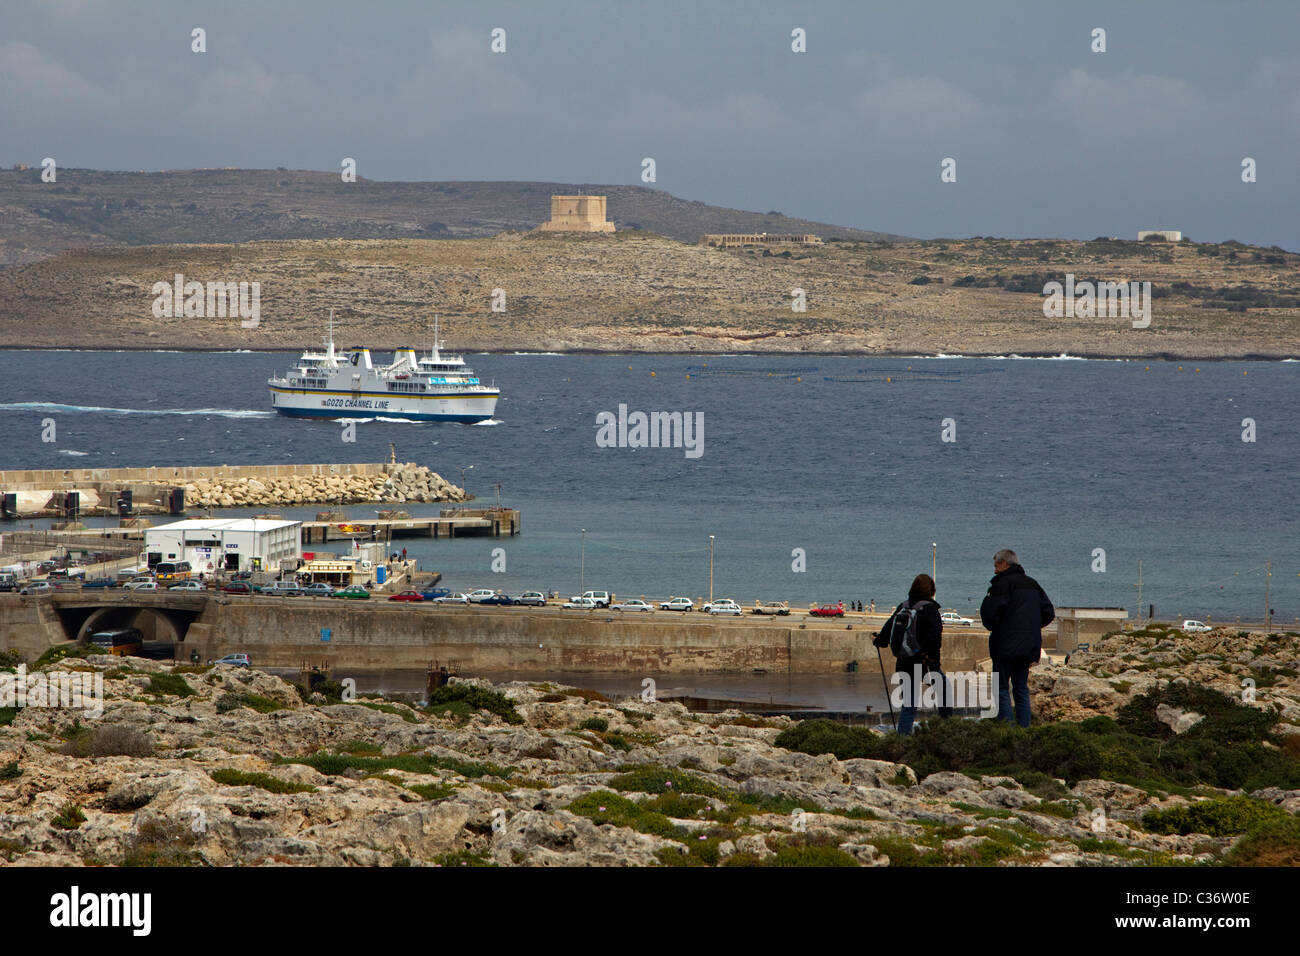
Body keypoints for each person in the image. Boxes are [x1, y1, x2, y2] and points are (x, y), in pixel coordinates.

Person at [979, 549, 1055, 728]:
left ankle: (1008, 731)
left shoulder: (1001, 585)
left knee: (1001, 688)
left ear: (1005, 564)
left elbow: (989, 614)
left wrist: (999, 627)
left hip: (1004, 646)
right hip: (1028, 646)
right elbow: (1048, 612)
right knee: (1021, 688)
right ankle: (1024, 730)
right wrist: (1031, 628)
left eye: (996, 565)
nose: (995, 569)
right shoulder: (1033, 585)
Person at [872, 573, 951, 735]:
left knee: (909, 705)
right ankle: (946, 731)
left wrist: (878, 641)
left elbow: (887, 632)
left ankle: (902, 741)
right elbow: (935, 639)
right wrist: (934, 662)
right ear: (931, 590)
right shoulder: (930, 609)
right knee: (945, 690)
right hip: (925, 664)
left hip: (903, 662)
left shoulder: (904, 606)